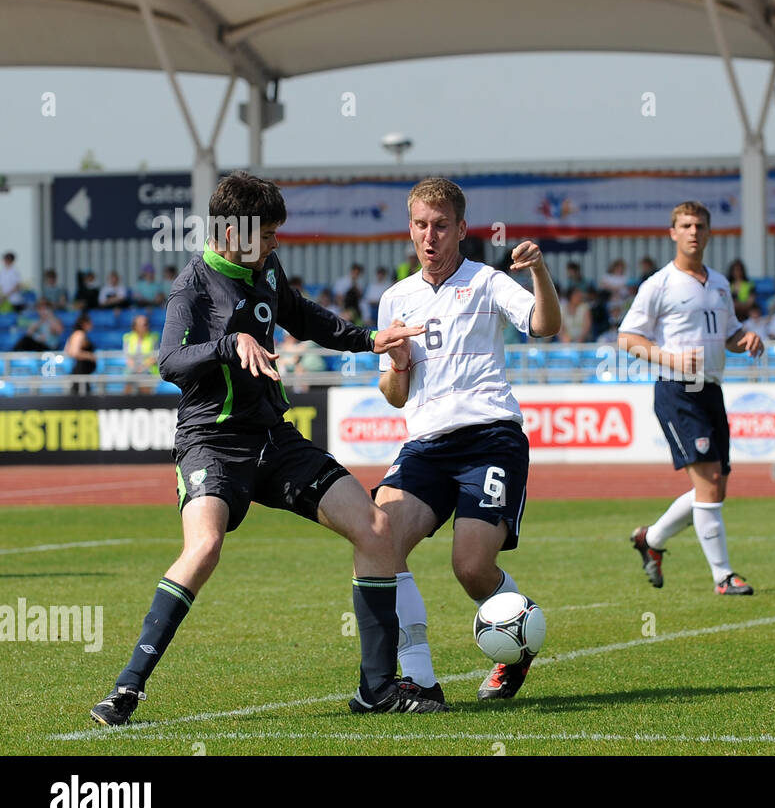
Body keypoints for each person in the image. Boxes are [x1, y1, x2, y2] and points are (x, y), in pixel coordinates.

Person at [89, 171, 437, 727]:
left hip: (275, 441)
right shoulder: (194, 285)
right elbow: (169, 363)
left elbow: (301, 315)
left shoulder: (266, 268)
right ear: (233, 232)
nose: (276, 244)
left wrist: (369, 339)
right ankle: (127, 690)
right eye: (268, 234)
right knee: (203, 549)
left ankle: (377, 689)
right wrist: (229, 343)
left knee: (374, 529)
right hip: (213, 443)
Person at [370, 177, 561, 704]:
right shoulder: (395, 299)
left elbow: (545, 324)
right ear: (410, 228)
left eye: (440, 226)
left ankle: (518, 648)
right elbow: (393, 393)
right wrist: (399, 367)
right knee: (379, 537)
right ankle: (419, 680)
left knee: (471, 567)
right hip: (425, 445)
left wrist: (539, 272)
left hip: (489, 438)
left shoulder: (487, 282)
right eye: (420, 225)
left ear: (461, 228)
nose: (429, 237)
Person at [619, 201, 764, 596]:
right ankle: (723, 577)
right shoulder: (659, 284)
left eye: (699, 225)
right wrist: (670, 357)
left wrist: (744, 338)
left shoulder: (718, 283)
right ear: (673, 233)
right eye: (685, 225)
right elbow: (627, 338)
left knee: (714, 489)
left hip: (711, 389)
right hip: (678, 390)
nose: (693, 232)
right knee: (710, 484)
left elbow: (730, 333)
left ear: (709, 231)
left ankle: (650, 539)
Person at [122, 313, 160, 395]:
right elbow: (128, 357)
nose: (146, 326)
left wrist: (142, 368)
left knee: (144, 381)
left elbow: (154, 357)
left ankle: (146, 405)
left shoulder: (153, 337)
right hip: (133, 369)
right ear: (135, 326)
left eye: (146, 324)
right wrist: (136, 369)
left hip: (148, 369)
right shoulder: (127, 337)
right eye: (143, 324)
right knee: (128, 385)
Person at [63, 313, 96, 394]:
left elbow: (67, 349)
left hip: (82, 371)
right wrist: (89, 356)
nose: (92, 325)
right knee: (81, 398)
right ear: (84, 324)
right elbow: (73, 352)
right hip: (81, 371)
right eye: (90, 323)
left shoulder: (76, 334)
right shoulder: (79, 334)